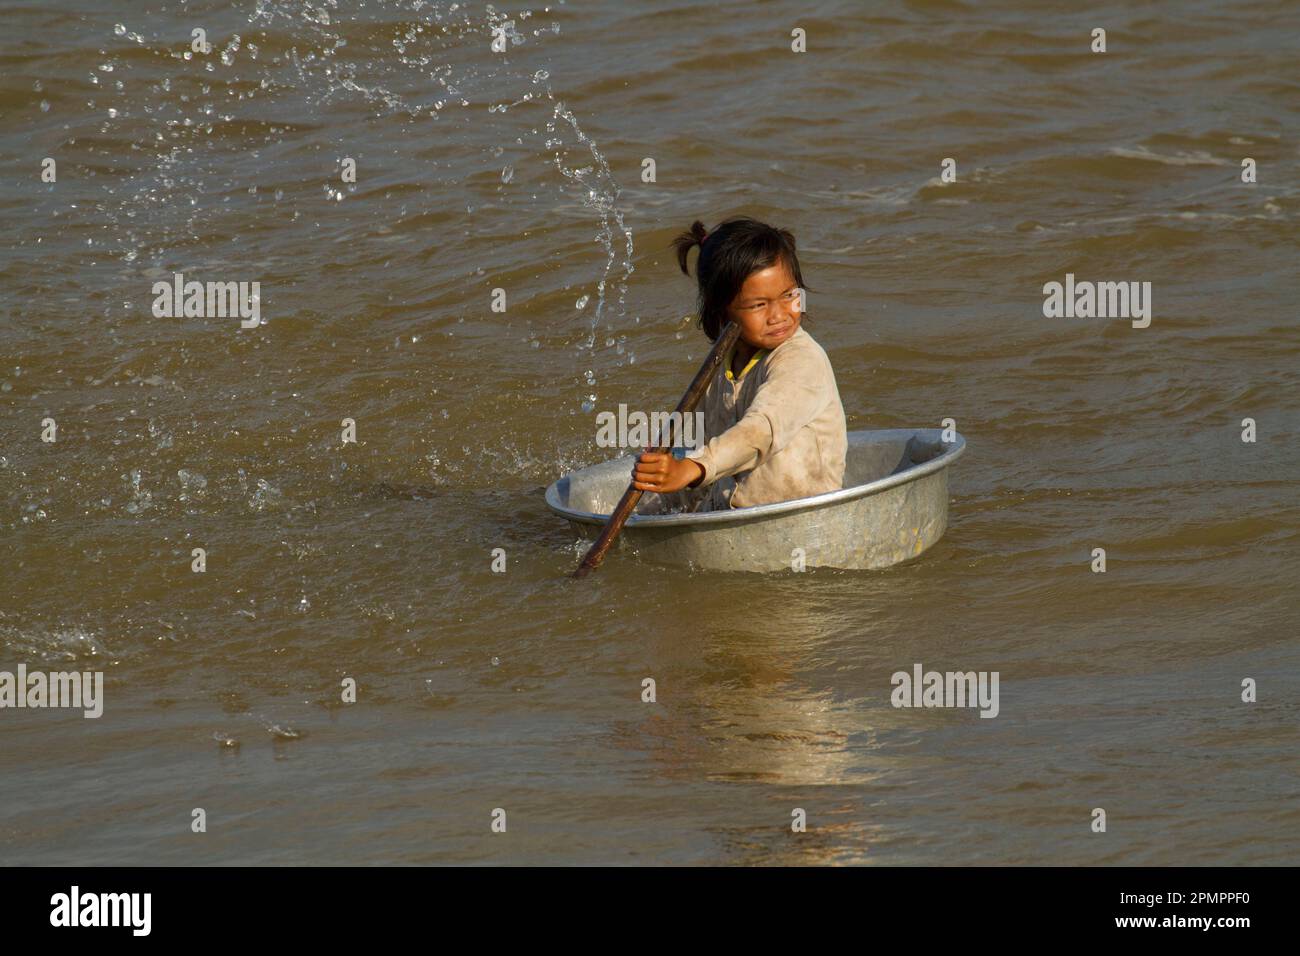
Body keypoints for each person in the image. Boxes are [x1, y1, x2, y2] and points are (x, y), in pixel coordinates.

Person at [633, 217, 847, 512]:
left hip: (802, 515)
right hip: (737, 518)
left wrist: (693, 468)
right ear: (721, 310)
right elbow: (706, 441)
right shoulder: (722, 366)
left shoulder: (801, 360)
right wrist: (663, 481)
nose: (779, 315)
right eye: (759, 305)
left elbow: (760, 431)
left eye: (789, 296)